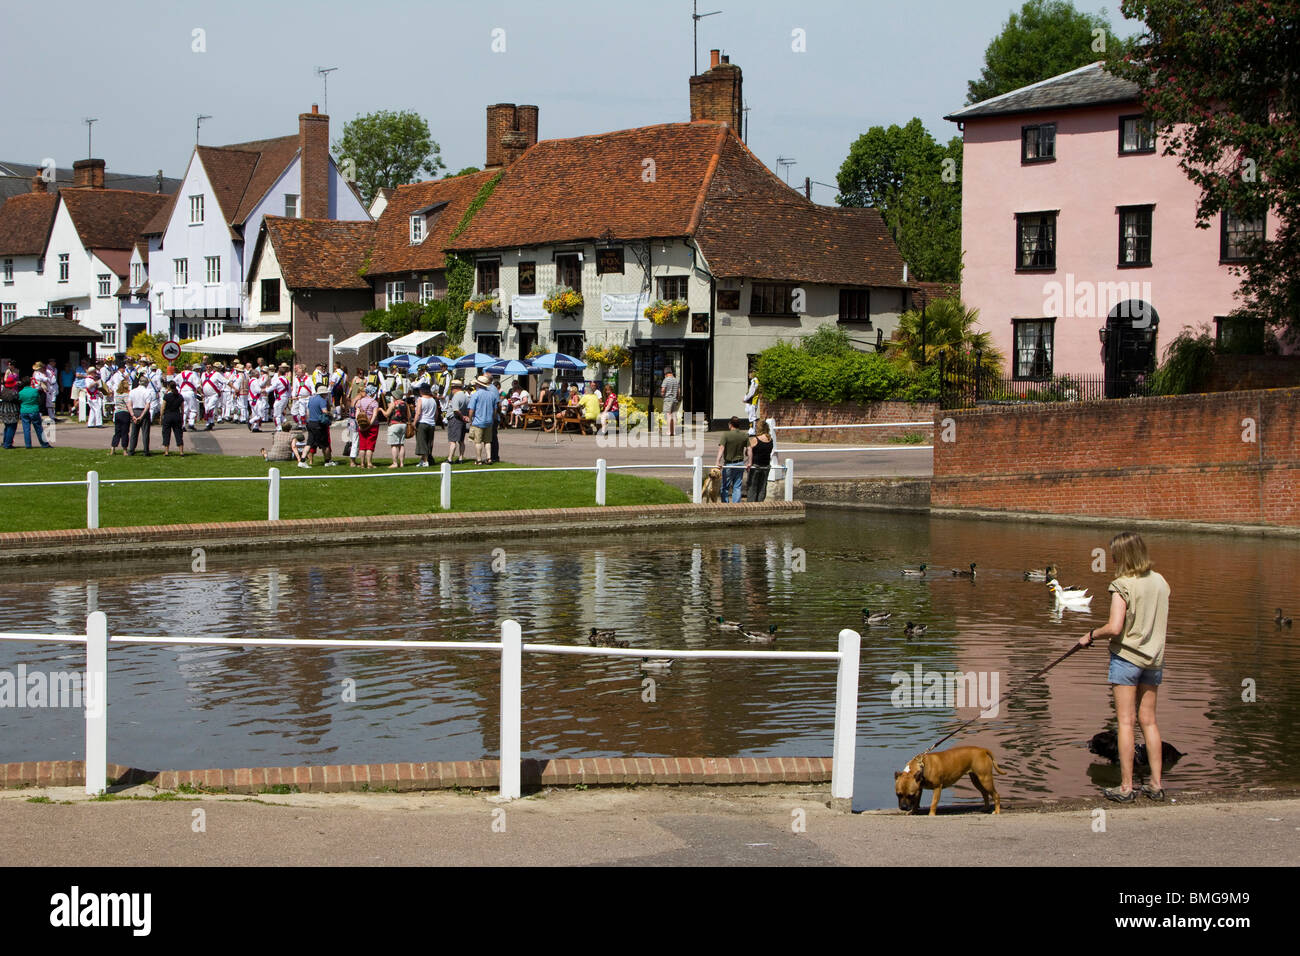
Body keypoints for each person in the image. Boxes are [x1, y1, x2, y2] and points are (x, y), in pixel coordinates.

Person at [1077, 531, 1171, 803]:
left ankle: (1126, 787)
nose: (1113, 558)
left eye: (1115, 554)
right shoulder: (1161, 582)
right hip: (1153, 660)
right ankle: (1155, 784)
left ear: (1124, 556)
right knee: (1149, 722)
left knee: (1126, 722)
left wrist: (1090, 635)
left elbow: (1115, 627)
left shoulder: (1122, 584)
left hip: (1127, 659)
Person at [716, 416, 748, 503]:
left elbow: (721, 448)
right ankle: (736, 506)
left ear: (730, 424)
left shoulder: (725, 435)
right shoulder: (744, 435)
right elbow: (749, 450)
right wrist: (750, 461)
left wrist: (717, 461)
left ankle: (725, 505)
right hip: (740, 463)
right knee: (737, 486)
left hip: (729, 464)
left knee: (725, 487)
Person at [468, 374, 497, 465]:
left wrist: (470, 419)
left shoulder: (476, 394)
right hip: (489, 421)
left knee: (478, 441)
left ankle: (479, 459)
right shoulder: (492, 395)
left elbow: (471, 409)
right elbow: (495, 409)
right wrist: (492, 418)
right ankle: (489, 458)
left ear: (478, 385)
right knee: (488, 441)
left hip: (478, 421)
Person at [746, 420, 777, 502]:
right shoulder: (770, 439)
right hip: (766, 465)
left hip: (756, 465)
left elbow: (748, 452)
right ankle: (760, 503)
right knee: (762, 486)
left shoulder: (755, 439)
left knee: (752, 486)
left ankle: (751, 505)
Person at [305, 383, 336, 466]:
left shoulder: (311, 399)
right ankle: (327, 461)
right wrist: (331, 414)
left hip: (310, 422)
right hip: (319, 424)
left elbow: (307, 411)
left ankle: (304, 460)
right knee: (325, 444)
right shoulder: (322, 400)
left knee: (310, 443)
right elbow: (324, 411)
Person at [353, 384, 381, 469]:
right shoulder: (374, 402)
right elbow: (374, 415)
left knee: (362, 445)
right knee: (370, 445)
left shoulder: (359, 402)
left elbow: (356, 414)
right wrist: (369, 425)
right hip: (372, 426)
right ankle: (369, 463)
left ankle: (362, 463)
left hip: (361, 425)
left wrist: (359, 425)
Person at [127, 374, 154, 455]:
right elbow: (147, 405)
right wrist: (142, 416)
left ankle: (131, 450)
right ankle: (146, 450)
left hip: (135, 410)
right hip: (143, 411)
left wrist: (133, 415)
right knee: (145, 432)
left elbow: (129, 404)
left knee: (134, 433)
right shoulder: (147, 391)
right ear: (146, 383)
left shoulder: (132, 391)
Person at [414, 383, 440, 466]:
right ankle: (424, 459)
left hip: (422, 422)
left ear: (422, 391)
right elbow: (436, 414)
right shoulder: (433, 400)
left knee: (422, 442)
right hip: (431, 423)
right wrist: (434, 421)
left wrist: (414, 422)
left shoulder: (420, 399)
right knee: (429, 442)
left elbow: (418, 413)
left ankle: (425, 461)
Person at [384, 389, 410, 468]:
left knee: (394, 445)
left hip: (394, 424)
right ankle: (402, 463)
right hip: (403, 424)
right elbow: (409, 416)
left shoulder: (393, 404)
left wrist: (381, 410)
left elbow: (386, 414)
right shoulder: (405, 404)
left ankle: (395, 463)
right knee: (401, 444)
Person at [446, 381, 470, 462]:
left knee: (452, 441)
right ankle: (461, 458)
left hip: (455, 419)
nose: (451, 390)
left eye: (452, 388)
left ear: (455, 388)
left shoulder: (456, 396)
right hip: (462, 421)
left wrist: (462, 416)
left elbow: (456, 410)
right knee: (461, 441)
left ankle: (450, 458)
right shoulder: (465, 396)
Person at [108, 377, 131, 454]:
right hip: (124, 413)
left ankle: (113, 448)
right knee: (125, 432)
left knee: (117, 431)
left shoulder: (117, 394)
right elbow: (128, 404)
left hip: (117, 413)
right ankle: (124, 450)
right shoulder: (126, 395)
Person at [1, 370, 21, 448]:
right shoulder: (13, 393)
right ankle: (8, 444)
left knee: (7, 427)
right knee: (12, 428)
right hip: (12, 412)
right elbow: (18, 400)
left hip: (4, 412)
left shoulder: (3, 392)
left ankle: (5, 442)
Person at [660, 368, 680, 437]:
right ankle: (673, 431)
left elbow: (663, 390)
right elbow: (678, 391)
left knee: (668, 416)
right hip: (674, 400)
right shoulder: (676, 380)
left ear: (665, 374)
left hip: (668, 400)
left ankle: (668, 431)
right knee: (674, 416)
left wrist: (663, 395)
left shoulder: (666, 380)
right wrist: (677, 398)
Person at [743, 371, 760, 436]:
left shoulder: (755, 381)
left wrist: (745, 398)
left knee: (752, 416)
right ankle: (752, 430)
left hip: (752, 401)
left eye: (749, 373)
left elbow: (751, 392)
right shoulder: (753, 381)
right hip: (751, 401)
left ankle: (753, 431)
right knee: (750, 415)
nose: (748, 375)